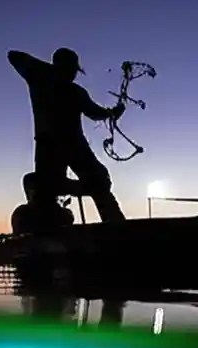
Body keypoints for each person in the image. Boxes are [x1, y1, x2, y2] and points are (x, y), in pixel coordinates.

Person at [7, 47, 127, 225]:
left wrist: (111, 113)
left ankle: (114, 224)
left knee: (100, 182)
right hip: (56, 145)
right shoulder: (41, 80)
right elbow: (13, 55)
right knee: (56, 189)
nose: (74, 74)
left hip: (68, 145)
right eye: (71, 69)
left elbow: (95, 112)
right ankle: (54, 197)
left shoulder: (55, 84)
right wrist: (52, 72)